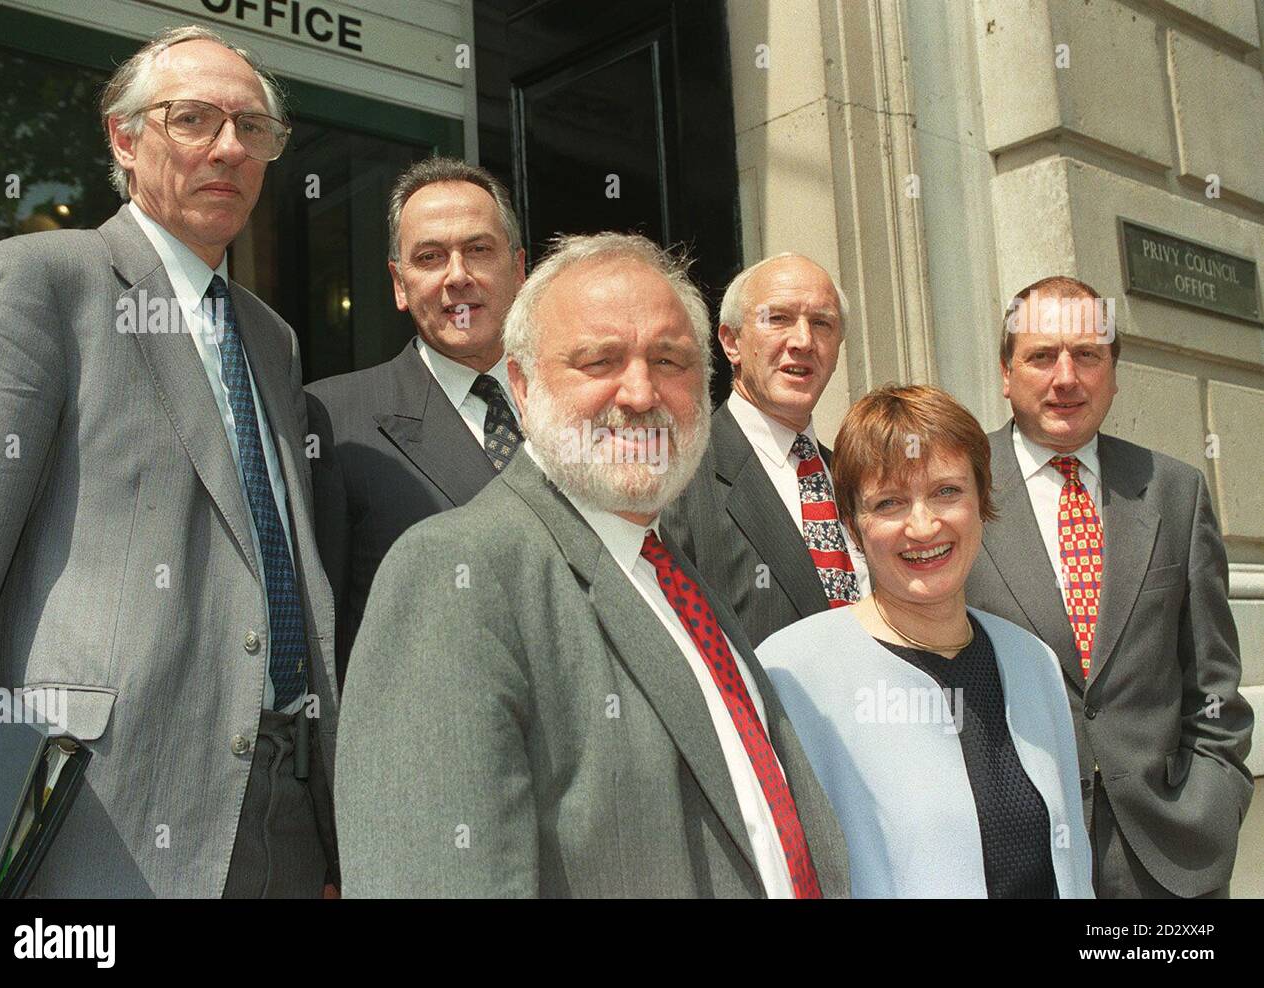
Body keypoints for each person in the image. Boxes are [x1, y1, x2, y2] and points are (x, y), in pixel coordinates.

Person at [335, 233, 850, 897]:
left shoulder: (678, 577)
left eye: (669, 360)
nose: (640, 393)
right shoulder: (454, 574)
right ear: (521, 385)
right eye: (599, 360)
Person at [0, 26, 339, 896]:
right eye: (193, 119)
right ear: (124, 139)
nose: (230, 147)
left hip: (279, 801)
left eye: (253, 128)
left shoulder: (270, 335)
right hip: (95, 802)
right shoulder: (43, 280)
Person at [966, 276, 1253, 898]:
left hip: (1167, 866)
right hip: (1014, 862)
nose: (1065, 377)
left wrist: (1213, 808)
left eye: (1088, 355)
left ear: (1114, 373)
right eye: (1042, 355)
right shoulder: (956, 490)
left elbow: (1214, 689)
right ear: (1006, 374)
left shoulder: (1175, 492)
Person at [758, 385, 1093, 898]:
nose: (923, 525)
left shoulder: (1033, 662)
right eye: (889, 502)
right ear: (852, 524)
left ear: (982, 501)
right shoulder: (793, 677)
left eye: (946, 492)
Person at [305, 157, 526, 680]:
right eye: (429, 257)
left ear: (519, 270)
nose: (457, 277)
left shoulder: (583, 408)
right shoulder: (331, 421)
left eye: (478, 250)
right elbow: (325, 637)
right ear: (399, 284)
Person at [662, 253, 868, 648]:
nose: (803, 341)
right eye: (778, 319)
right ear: (731, 342)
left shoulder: (855, 476)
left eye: (822, 323)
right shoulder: (678, 475)